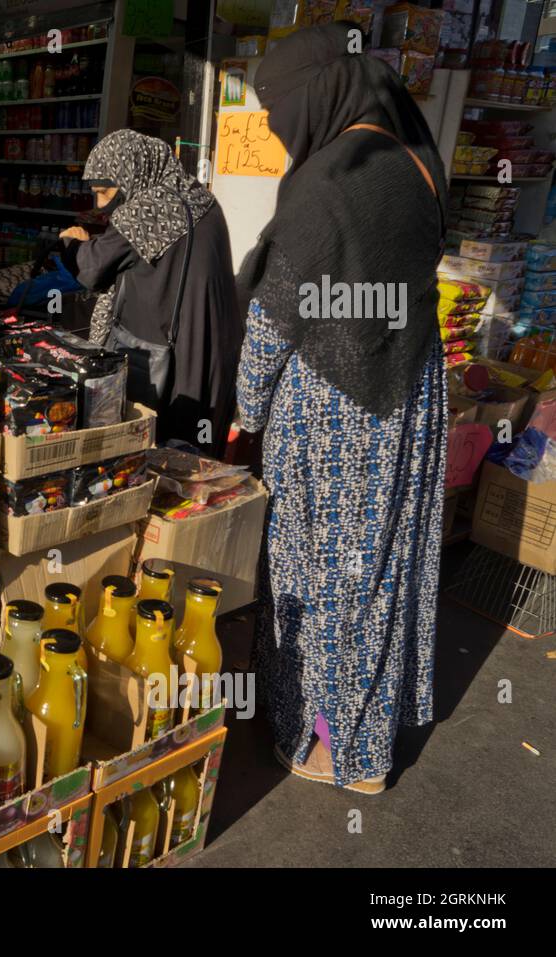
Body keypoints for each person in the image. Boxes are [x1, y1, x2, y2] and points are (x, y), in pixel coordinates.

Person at [235, 23, 448, 793]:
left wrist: (247, 412)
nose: (272, 125)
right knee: (380, 573)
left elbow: (274, 319)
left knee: (314, 574)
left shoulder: (327, 179)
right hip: (410, 392)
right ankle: (368, 752)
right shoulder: (419, 162)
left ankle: (319, 741)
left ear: (316, 94)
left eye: (277, 106)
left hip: (331, 407)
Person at [58, 129, 241, 456]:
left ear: (132, 173)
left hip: (173, 356)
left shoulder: (151, 209)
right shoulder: (200, 198)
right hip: (213, 349)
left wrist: (73, 243)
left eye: (104, 191)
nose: (100, 204)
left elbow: (91, 269)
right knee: (199, 453)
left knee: (157, 450)